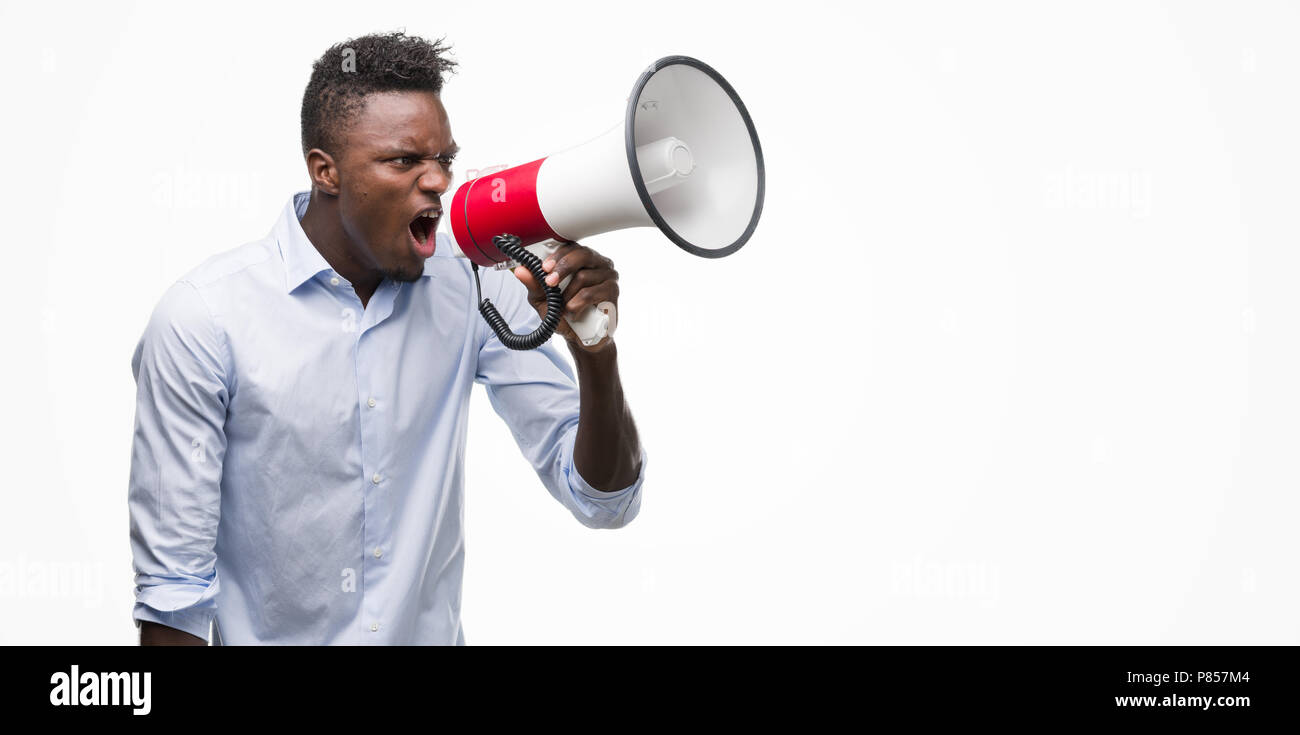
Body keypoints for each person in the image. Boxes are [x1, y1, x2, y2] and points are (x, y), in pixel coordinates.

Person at [127, 31, 646, 645]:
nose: (438, 183)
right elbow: (174, 596)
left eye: (445, 160)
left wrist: (595, 352)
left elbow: (601, 499)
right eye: (404, 161)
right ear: (326, 171)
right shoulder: (205, 319)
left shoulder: (474, 279)